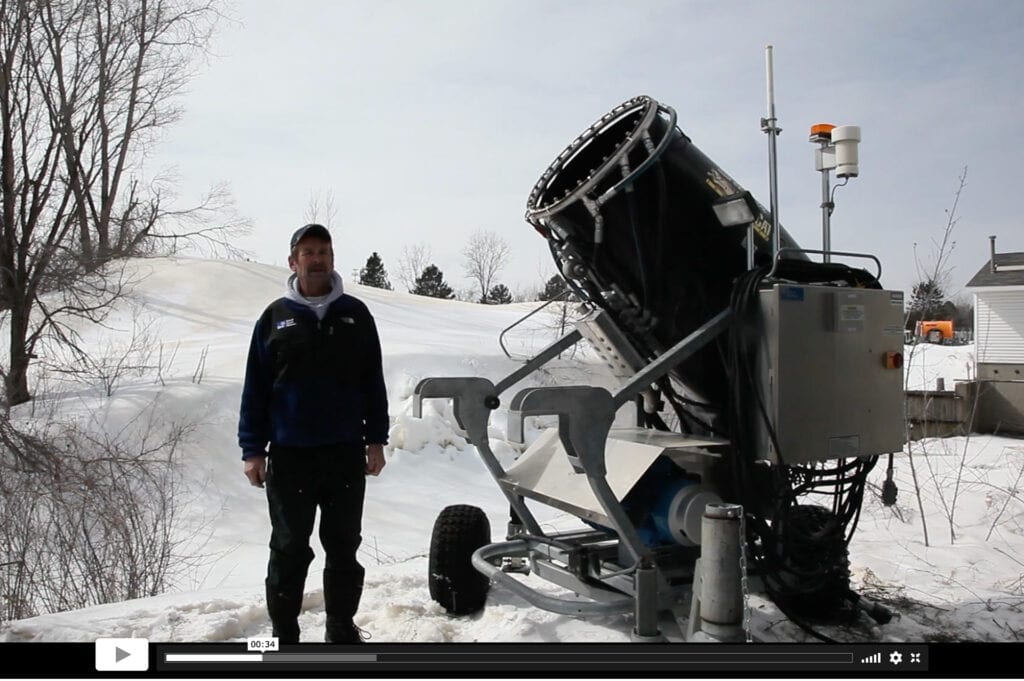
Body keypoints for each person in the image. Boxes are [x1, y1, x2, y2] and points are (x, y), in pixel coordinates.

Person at [238, 223, 388, 644]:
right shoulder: (275, 317)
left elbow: (372, 382)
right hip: (290, 455)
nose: (317, 259)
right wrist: (253, 449)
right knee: (288, 549)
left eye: (323, 251)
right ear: (293, 261)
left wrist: (375, 439)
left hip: (343, 453)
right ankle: (284, 636)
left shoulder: (355, 314)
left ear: (332, 259)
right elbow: (256, 388)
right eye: (308, 252)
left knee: (343, 547)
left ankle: (341, 630)